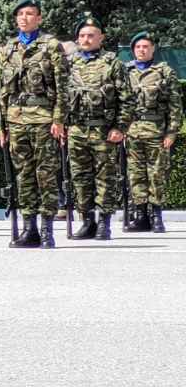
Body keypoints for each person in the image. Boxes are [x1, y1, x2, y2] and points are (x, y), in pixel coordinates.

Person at [0, 0, 67, 248]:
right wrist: (3, 126)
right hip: (16, 119)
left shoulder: (51, 46)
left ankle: (47, 228)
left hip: (43, 118)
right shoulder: (8, 49)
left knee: (45, 174)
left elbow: (62, 86)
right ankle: (30, 228)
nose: (24, 18)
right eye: (21, 14)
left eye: (30, 14)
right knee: (23, 174)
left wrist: (59, 119)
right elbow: (2, 91)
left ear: (39, 18)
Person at [64, 15, 132, 240]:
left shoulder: (113, 63)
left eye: (91, 35)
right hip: (76, 129)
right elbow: (61, 97)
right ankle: (87, 221)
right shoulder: (69, 63)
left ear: (101, 38)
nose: (86, 39)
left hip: (103, 130)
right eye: (82, 36)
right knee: (80, 177)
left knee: (105, 177)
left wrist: (120, 127)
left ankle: (104, 222)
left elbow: (127, 99)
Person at [124, 30, 177, 232]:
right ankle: (140, 215)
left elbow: (175, 105)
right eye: (138, 47)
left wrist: (171, 132)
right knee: (135, 174)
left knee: (156, 174)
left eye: (145, 46)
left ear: (153, 49)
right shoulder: (126, 72)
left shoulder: (164, 72)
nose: (142, 50)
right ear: (133, 50)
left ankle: (156, 216)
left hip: (156, 130)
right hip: (132, 131)